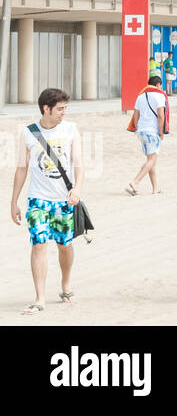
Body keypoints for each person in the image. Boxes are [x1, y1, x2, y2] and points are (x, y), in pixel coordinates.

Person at [11, 88, 83, 315]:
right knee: (39, 244)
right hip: (38, 200)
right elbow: (21, 169)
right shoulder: (28, 133)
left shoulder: (71, 129)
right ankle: (40, 297)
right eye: (60, 109)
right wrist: (14, 201)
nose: (64, 112)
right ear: (46, 109)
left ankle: (65, 284)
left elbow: (79, 164)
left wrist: (77, 189)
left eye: (65, 108)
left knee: (65, 245)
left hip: (64, 200)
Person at [126, 75, 169, 196]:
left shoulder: (140, 96)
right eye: (161, 86)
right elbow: (161, 116)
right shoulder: (159, 96)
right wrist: (161, 132)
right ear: (158, 85)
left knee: (151, 160)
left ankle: (155, 188)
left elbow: (135, 115)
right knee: (152, 160)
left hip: (142, 131)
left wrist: (138, 128)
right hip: (152, 131)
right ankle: (135, 181)